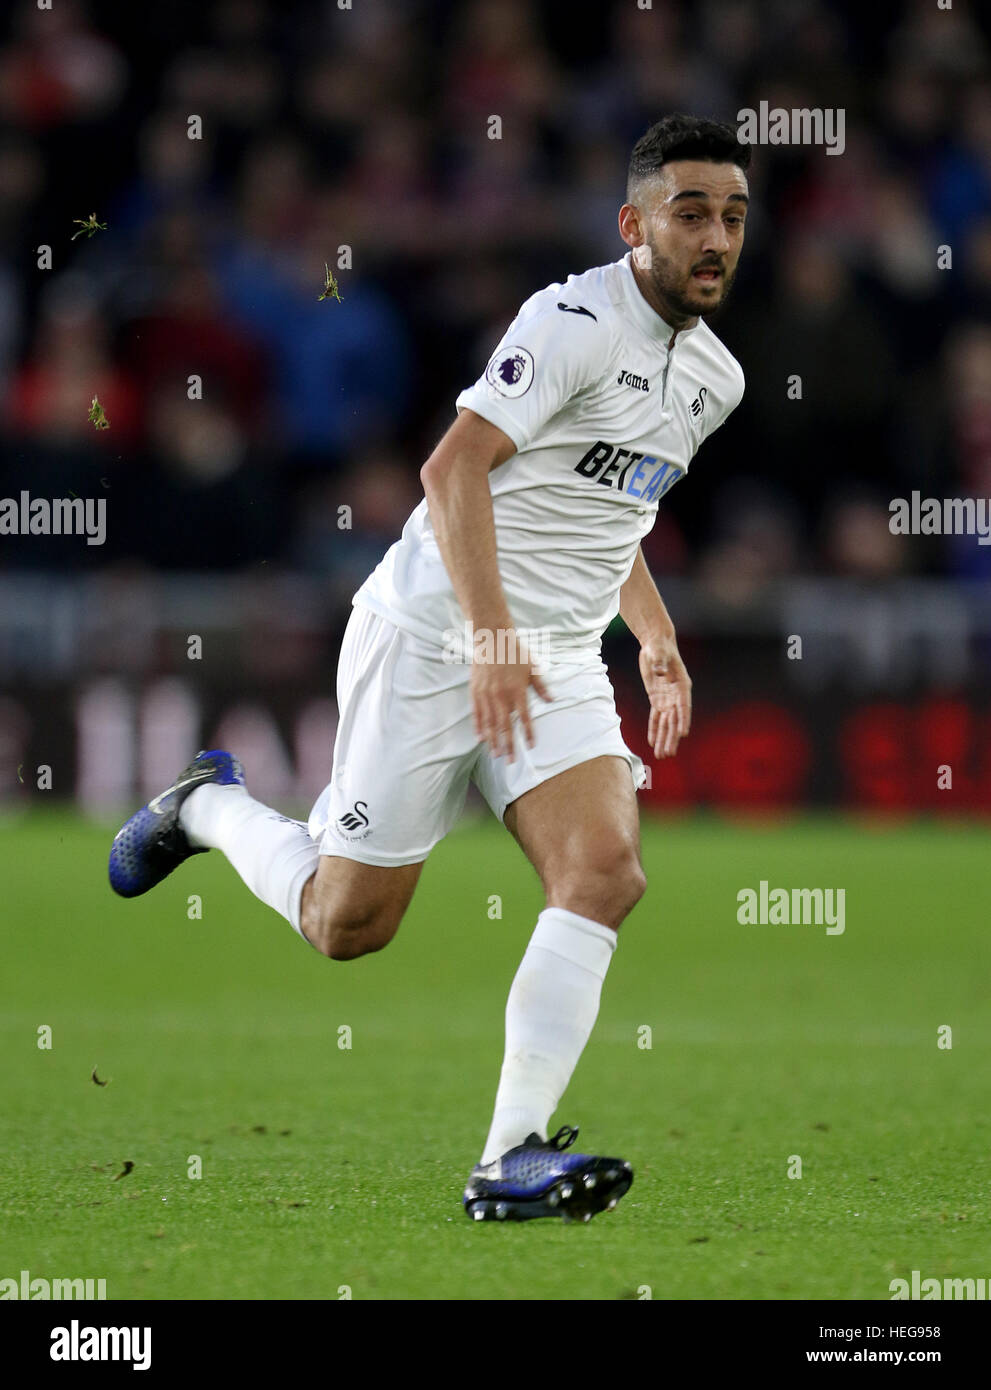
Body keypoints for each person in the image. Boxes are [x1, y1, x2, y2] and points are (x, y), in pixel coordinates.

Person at [109, 113, 750, 1223]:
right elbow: (452, 468)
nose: (716, 237)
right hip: (437, 632)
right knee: (346, 924)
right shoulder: (570, 320)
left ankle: (511, 1155)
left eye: (732, 216)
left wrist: (653, 634)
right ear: (632, 223)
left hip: (549, 654)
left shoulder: (715, 379)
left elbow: (607, 515)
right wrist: (492, 636)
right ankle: (208, 806)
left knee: (604, 872)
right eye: (690, 212)